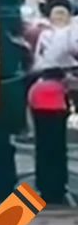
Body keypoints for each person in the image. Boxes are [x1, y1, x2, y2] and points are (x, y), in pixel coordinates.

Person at [28, 67, 71, 204]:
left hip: (40, 115)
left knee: (43, 151)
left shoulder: (36, 87)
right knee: (58, 152)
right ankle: (58, 189)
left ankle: (44, 187)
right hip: (57, 115)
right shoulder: (60, 87)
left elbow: (31, 102)